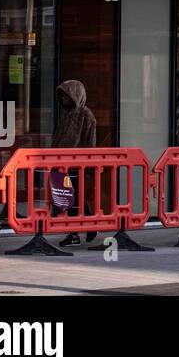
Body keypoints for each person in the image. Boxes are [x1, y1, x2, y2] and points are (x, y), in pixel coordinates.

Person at [52, 79, 98, 246]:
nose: (64, 99)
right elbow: (58, 138)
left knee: (73, 199)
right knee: (73, 198)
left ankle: (75, 234)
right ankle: (91, 226)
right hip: (60, 164)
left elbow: (90, 143)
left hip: (75, 166)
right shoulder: (66, 115)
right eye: (62, 95)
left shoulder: (86, 115)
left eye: (67, 95)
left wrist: (88, 168)